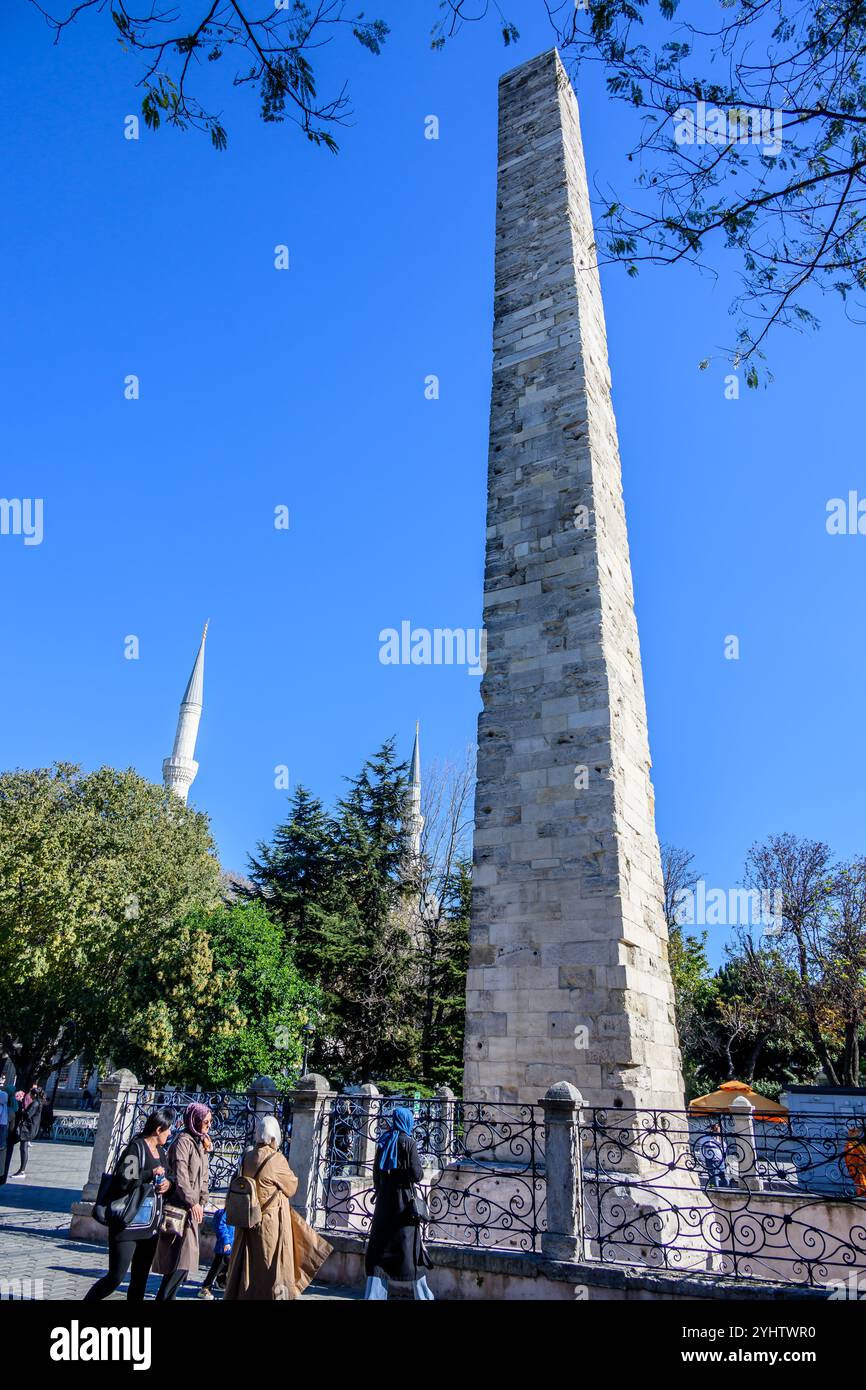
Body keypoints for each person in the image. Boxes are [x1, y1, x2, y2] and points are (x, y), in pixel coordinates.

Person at [224, 1114, 332, 1300]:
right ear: (274, 1136)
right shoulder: (276, 1159)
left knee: (248, 1267)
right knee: (271, 1268)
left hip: (247, 1220)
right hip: (269, 1224)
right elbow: (291, 1186)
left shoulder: (247, 1157)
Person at [83, 1106, 175, 1301]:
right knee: (115, 1277)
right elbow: (125, 1179)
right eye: (168, 1130)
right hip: (128, 1221)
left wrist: (168, 1184)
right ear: (158, 1129)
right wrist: (150, 1174)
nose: (170, 1134)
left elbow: (169, 1176)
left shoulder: (161, 1151)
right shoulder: (136, 1147)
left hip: (150, 1224)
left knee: (140, 1279)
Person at [364, 1106, 434, 1300]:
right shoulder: (408, 1143)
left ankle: (373, 1297)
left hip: (385, 1205)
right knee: (411, 1253)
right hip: (404, 1206)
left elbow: (376, 1176)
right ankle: (423, 1296)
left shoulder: (383, 1142)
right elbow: (417, 1175)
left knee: (379, 1254)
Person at [152, 1102, 213, 1300]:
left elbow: (204, 1176)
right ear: (194, 1120)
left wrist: (202, 1201)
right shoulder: (183, 1142)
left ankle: (169, 1296)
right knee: (179, 1262)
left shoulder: (201, 1142)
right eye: (205, 1122)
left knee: (185, 1263)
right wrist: (192, 1202)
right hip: (180, 1207)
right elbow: (181, 1177)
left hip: (193, 1209)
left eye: (210, 1122)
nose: (208, 1126)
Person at [199, 1207, 235, 1299]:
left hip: (233, 1245)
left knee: (227, 1265)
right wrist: (226, 1241)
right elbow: (220, 1227)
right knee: (217, 1266)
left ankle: (221, 1282)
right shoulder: (223, 1213)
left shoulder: (237, 1212)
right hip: (225, 1246)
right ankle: (205, 1287)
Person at [11, 1085, 43, 1179]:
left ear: (34, 1095)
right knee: (23, 1148)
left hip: (29, 1128)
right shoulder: (37, 1102)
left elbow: (28, 1115)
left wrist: (21, 1110)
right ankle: (21, 1170)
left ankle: (22, 1170)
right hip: (30, 1128)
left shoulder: (35, 1103)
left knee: (23, 1148)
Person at [697, 1122, 730, 1188]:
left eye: (718, 1129)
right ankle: (713, 1189)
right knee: (714, 1181)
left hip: (721, 1161)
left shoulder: (720, 1139)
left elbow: (724, 1149)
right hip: (711, 1161)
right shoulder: (706, 1139)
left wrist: (725, 1160)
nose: (718, 1131)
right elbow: (702, 1149)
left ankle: (724, 1190)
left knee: (726, 1181)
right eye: (716, 1129)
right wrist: (703, 1161)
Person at [843, 1125, 866, 1197]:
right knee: (862, 1187)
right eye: (854, 1131)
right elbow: (850, 1160)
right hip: (859, 1172)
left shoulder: (858, 1143)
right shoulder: (850, 1145)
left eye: (857, 1131)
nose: (857, 1133)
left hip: (862, 1170)